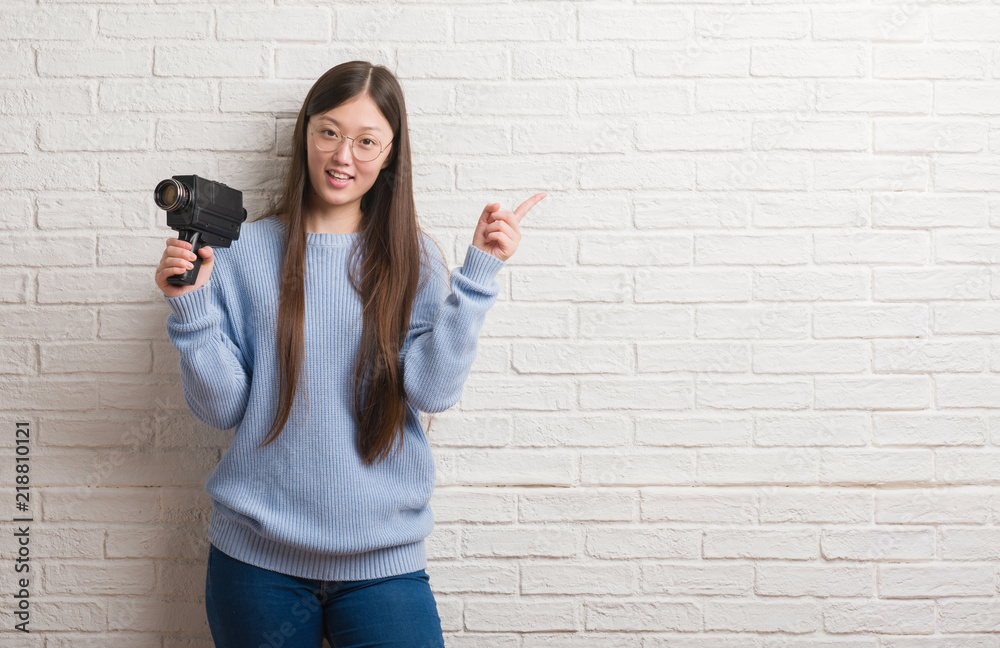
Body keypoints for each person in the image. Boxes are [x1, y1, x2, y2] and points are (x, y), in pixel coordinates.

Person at [153, 60, 546, 647]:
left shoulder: (414, 258)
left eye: (367, 141)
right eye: (329, 132)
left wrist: (481, 273)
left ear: (390, 153)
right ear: (306, 134)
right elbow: (223, 407)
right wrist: (190, 307)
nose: (343, 157)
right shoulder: (243, 252)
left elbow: (433, 391)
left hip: (382, 563)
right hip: (257, 562)